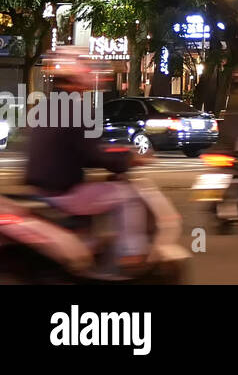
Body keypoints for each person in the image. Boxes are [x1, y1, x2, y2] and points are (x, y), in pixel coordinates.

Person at [24, 61, 148, 275]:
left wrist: (115, 156)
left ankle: (90, 244)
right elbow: (93, 154)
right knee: (128, 196)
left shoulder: (43, 108)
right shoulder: (75, 109)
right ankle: (131, 257)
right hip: (65, 191)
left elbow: (78, 150)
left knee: (97, 193)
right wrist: (128, 159)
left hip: (41, 191)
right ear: (75, 83)